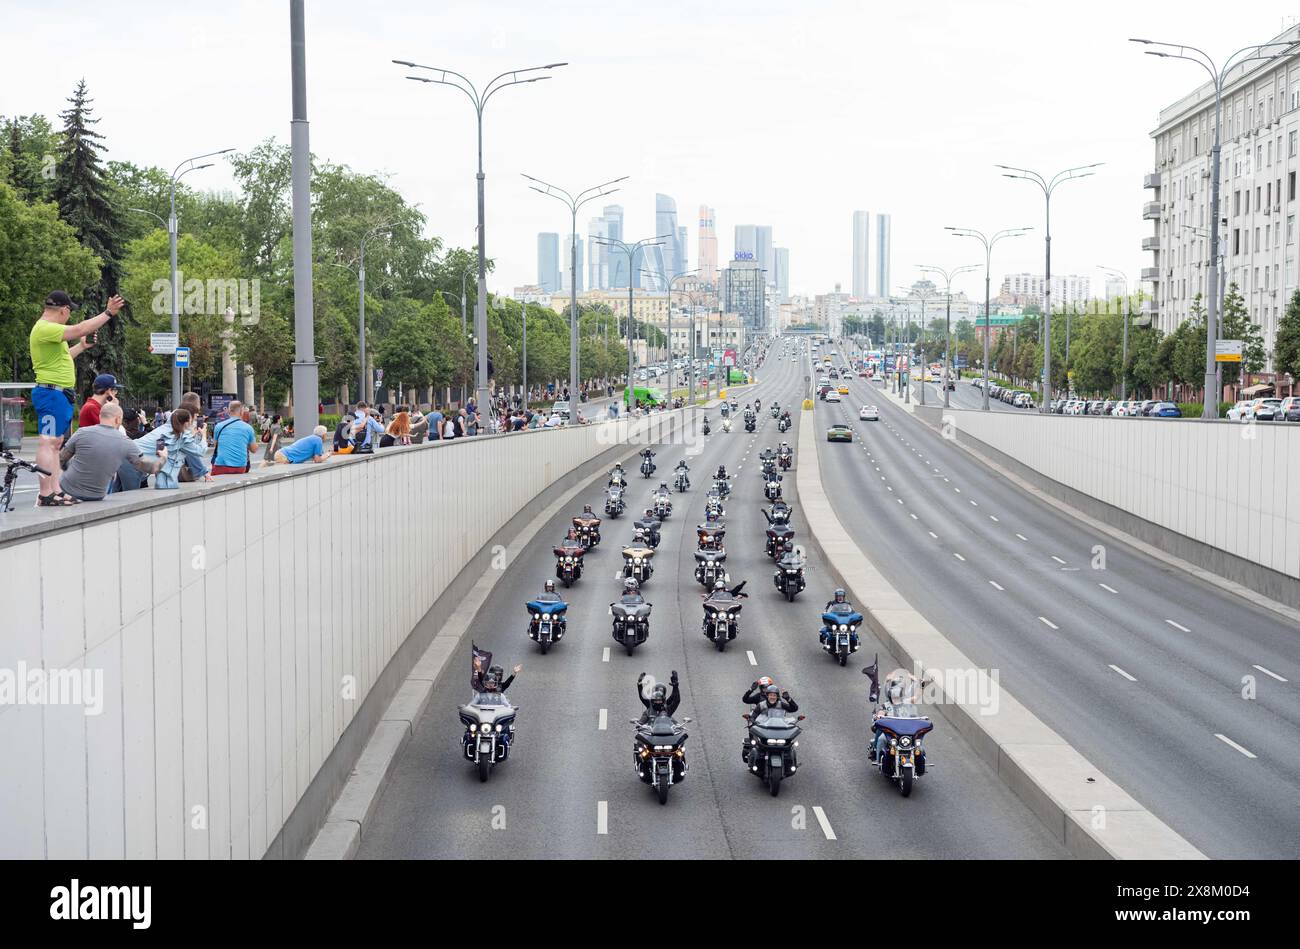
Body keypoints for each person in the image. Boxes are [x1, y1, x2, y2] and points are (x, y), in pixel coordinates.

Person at [29, 291, 125, 506]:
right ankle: (46, 494)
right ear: (63, 310)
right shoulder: (46, 328)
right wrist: (108, 312)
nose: (68, 316)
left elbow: (63, 357)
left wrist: (82, 346)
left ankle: (55, 491)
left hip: (57, 394)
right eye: (69, 311)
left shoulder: (50, 333)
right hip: (51, 394)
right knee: (48, 442)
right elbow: (81, 328)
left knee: (55, 443)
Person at [58, 402, 166, 502]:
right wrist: (163, 457)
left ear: (100, 417)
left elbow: (60, 459)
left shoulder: (81, 432)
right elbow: (151, 468)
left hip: (67, 489)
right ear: (118, 419)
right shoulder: (125, 442)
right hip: (95, 496)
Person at [154, 409, 214, 489]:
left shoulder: (165, 435)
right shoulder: (183, 438)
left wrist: (192, 435)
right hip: (170, 483)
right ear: (186, 423)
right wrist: (203, 435)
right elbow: (201, 451)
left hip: (160, 481)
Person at [211, 400, 258, 475]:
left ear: (228, 411)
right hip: (240, 467)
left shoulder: (218, 426)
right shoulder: (248, 428)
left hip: (220, 466)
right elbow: (254, 450)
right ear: (241, 412)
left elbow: (216, 445)